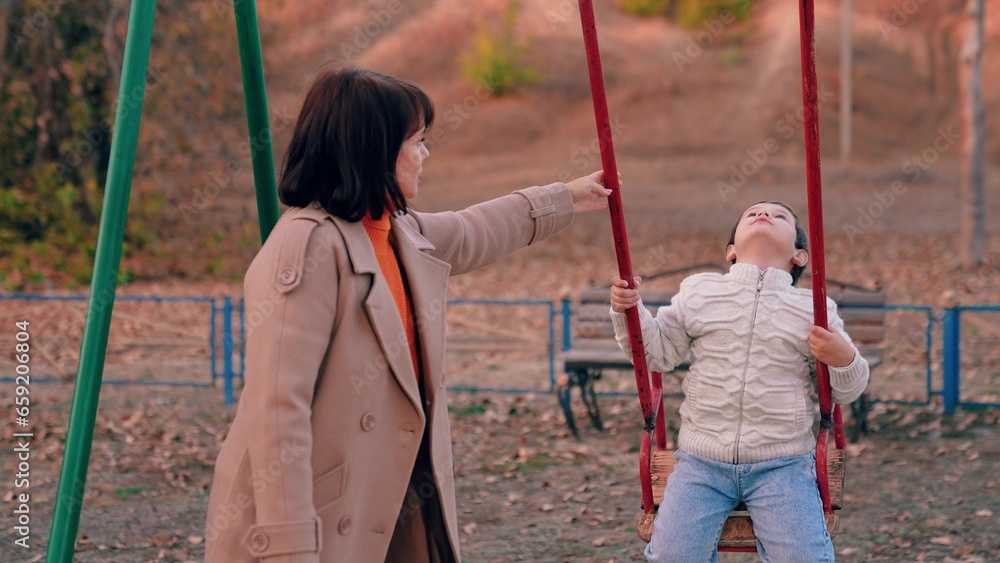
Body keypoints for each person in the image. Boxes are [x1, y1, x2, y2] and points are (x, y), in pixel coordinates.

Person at [203, 66, 612, 563]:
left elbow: (472, 229)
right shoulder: (308, 244)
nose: (425, 155)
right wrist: (288, 545)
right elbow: (277, 408)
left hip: (394, 500)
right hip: (321, 521)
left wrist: (566, 196)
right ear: (372, 148)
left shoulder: (396, 230)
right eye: (416, 141)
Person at [610, 201, 869, 562]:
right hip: (702, 461)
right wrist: (629, 311)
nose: (764, 214)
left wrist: (844, 357)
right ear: (730, 250)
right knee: (672, 556)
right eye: (753, 213)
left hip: (783, 464)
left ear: (800, 255)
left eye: (780, 216)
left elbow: (844, 390)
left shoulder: (813, 307)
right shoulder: (700, 291)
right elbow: (658, 353)